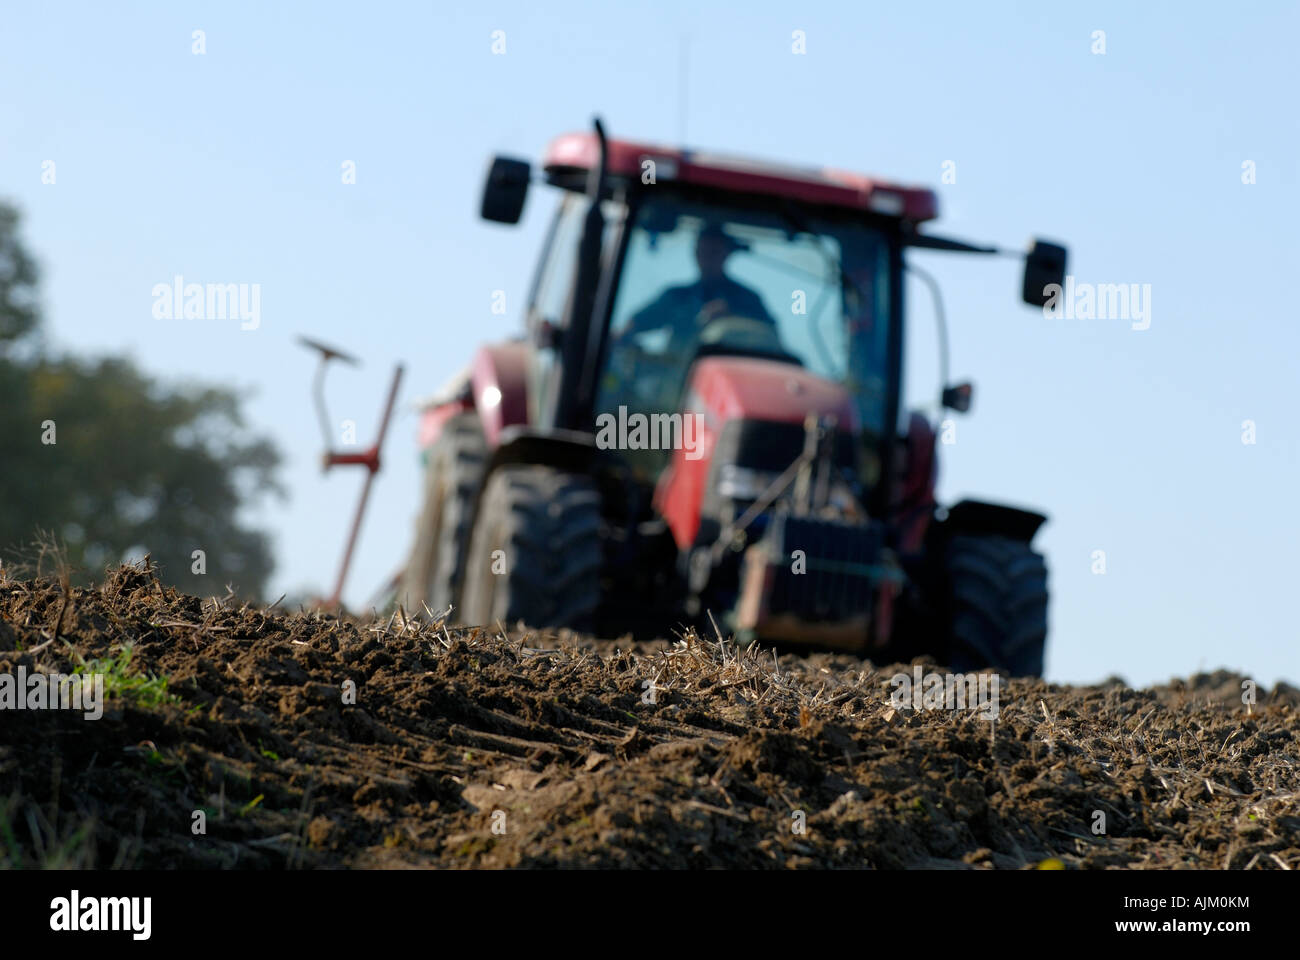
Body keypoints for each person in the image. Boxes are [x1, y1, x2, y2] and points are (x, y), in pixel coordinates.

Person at [617, 224, 776, 357]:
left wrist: (732, 319)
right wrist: (618, 336)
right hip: (677, 382)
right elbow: (636, 324)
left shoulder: (748, 300)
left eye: (714, 252)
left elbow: (771, 338)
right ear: (696, 253)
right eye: (703, 251)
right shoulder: (677, 297)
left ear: (726, 254)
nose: (707, 258)